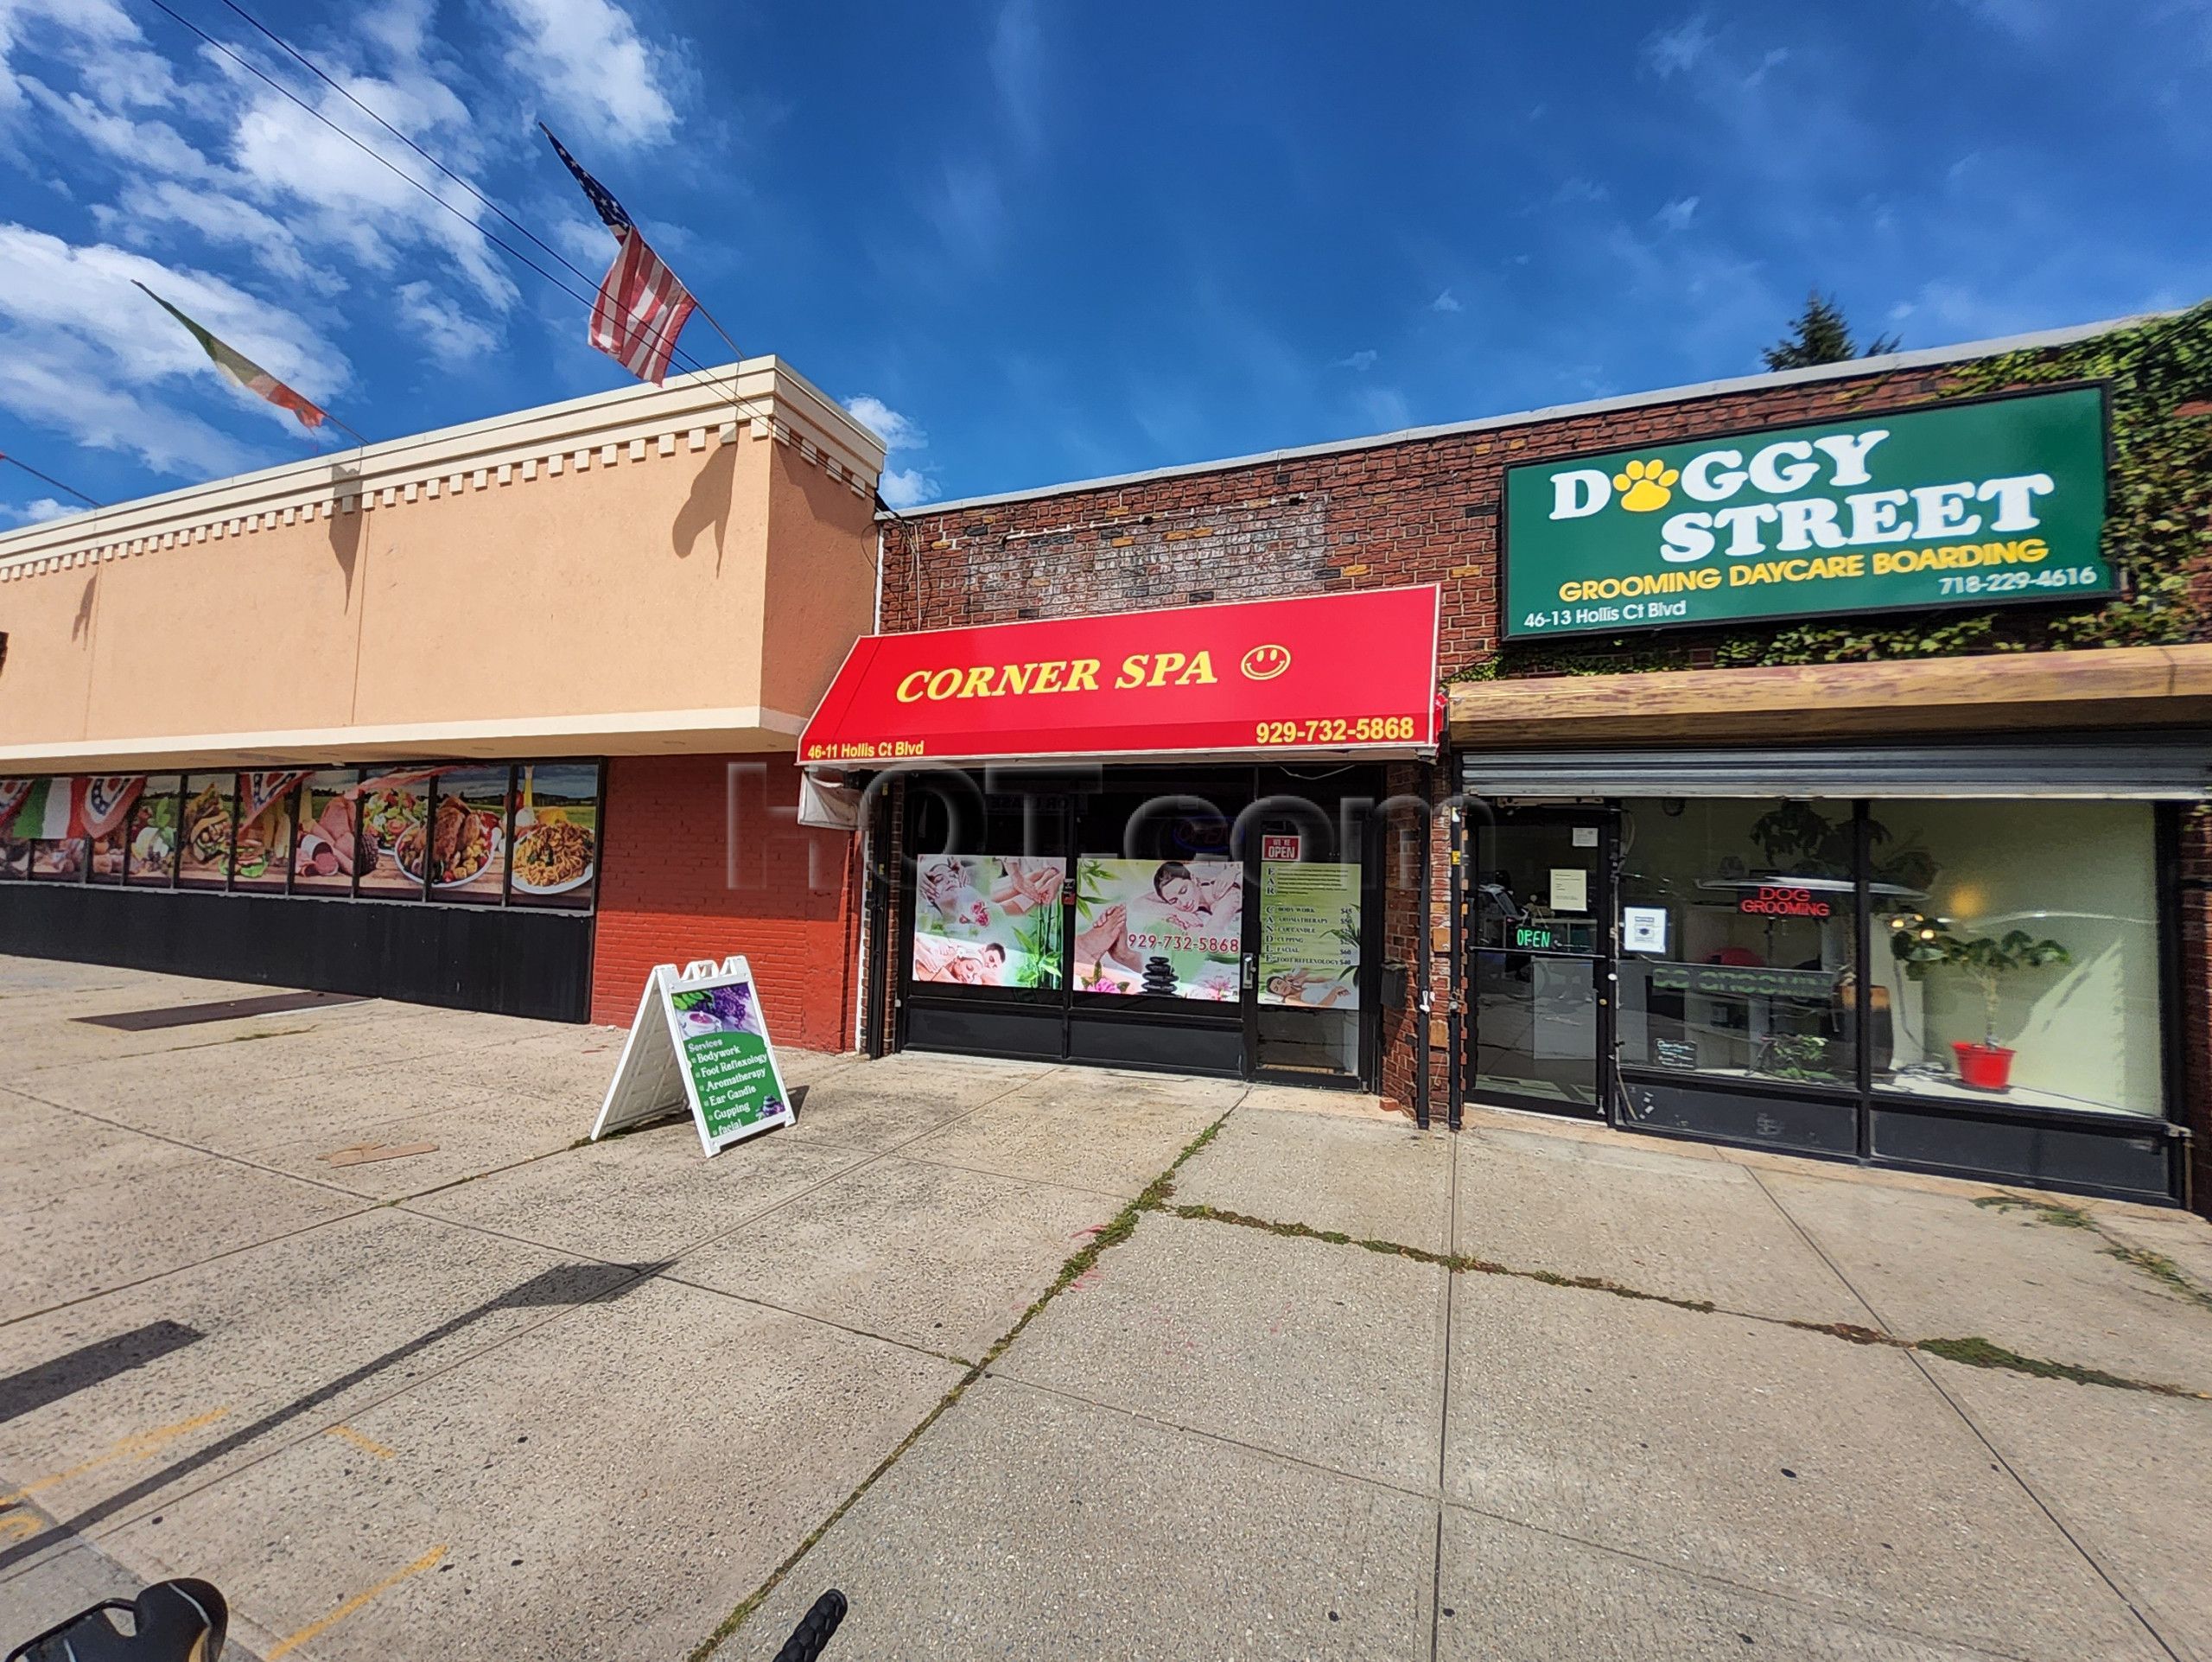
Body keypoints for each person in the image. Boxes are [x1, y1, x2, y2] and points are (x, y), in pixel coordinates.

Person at [1153, 859, 1242, 928]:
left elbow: (1212, 932)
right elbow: (1140, 902)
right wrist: (1178, 913)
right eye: (1174, 901)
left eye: (1184, 891)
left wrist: (1233, 870)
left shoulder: (1227, 894)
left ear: (1194, 879)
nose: (1184, 903)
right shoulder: (1169, 892)